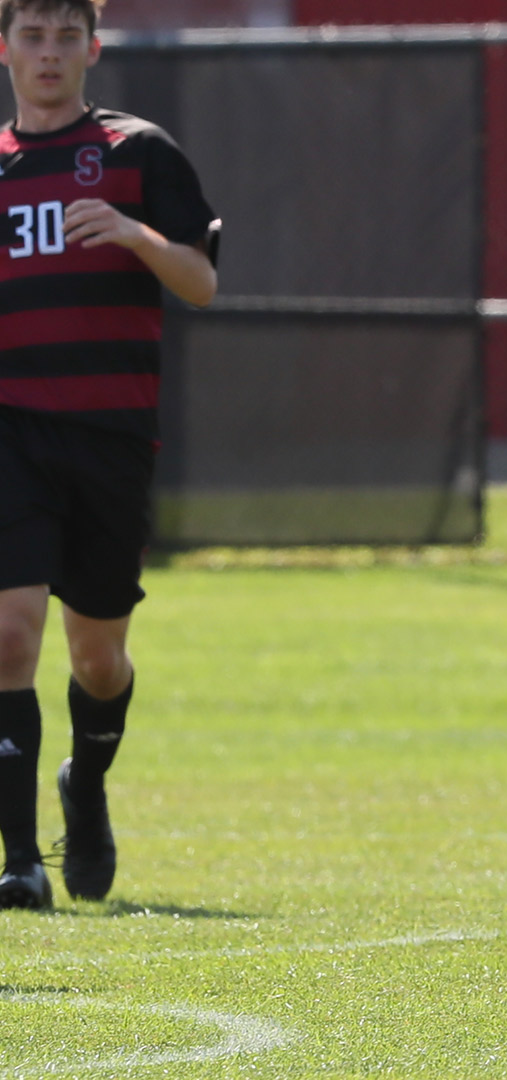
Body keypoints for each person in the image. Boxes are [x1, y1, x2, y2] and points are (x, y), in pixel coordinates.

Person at [0, 0, 219, 909]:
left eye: (64, 37)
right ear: (4, 45)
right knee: (10, 634)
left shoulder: (138, 153)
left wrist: (135, 235)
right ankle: (21, 864)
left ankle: (83, 788)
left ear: (91, 47)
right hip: (10, 428)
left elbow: (202, 284)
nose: (48, 54)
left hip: (110, 437)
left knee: (98, 659)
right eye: (30, 35)